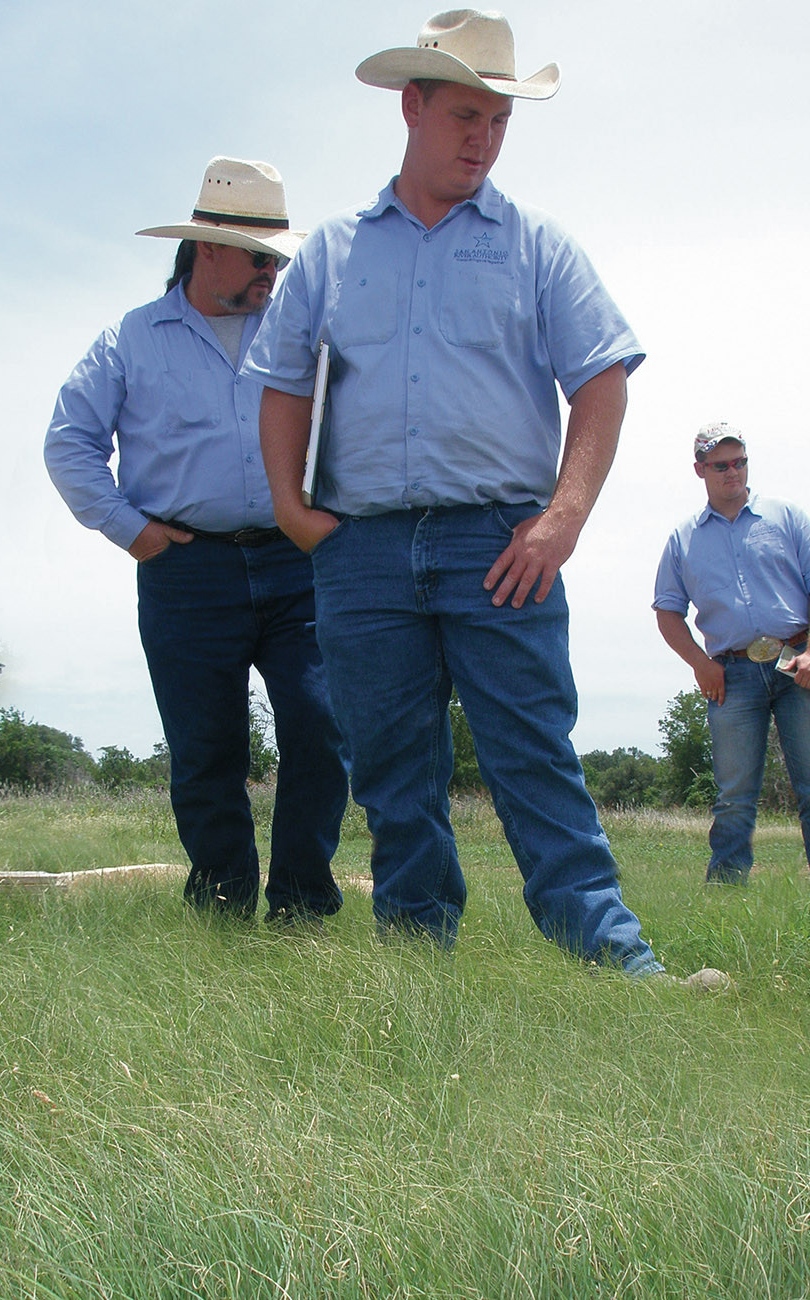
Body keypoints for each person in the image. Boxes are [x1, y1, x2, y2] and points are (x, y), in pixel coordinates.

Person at [244, 10, 668, 975]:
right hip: (362, 550)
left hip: (500, 546)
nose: (483, 138)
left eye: (500, 122)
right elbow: (280, 382)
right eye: (466, 115)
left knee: (531, 754)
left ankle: (612, 959)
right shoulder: (333, 250)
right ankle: (418, 959)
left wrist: (562, 520)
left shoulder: (537, 244)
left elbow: (602, 378)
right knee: (393, 772)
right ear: (413, 105)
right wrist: (292, 512)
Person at [44, 157, 348, 926]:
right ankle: (221, 903)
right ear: (206, 246)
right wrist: (133, 532)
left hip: (297, 562)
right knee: (206, 750)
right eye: (260, 256)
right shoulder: (131, 340)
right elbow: (70, 444)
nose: (272, 272)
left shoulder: (301, 333)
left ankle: (303, 905)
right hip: (185, 569)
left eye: (279, 257)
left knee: (322, 728)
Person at [653, 422, 810, 883]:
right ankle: (727, 891)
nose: (732, 472)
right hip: (732, 674)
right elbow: (667, 612)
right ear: (700, 469)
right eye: (720, 465)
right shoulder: (683, 539)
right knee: (735, 794)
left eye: (739, 462)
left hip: (796, 661)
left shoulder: (787, 518)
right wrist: (701, 664)